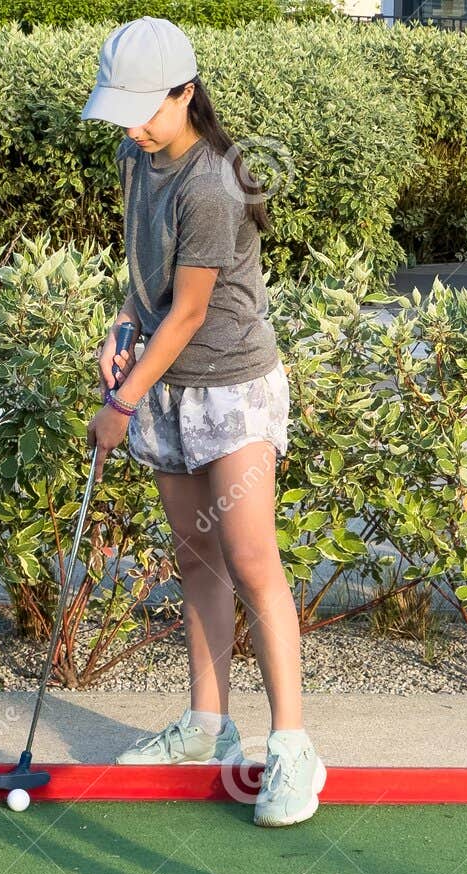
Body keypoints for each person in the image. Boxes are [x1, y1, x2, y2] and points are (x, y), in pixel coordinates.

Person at [80, 18, 324, 827]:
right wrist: (121, 326)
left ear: (186, 92)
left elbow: (186, 313)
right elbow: (146, 278)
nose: (130, 124)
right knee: (197, 559)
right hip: (167, 382)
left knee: (253, 561)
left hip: (231, 387)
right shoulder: (135, 157)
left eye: (144, 108)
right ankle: (207, 728)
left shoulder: (215, 183)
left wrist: (119, 403)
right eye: (121, 109)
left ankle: (292, 748)